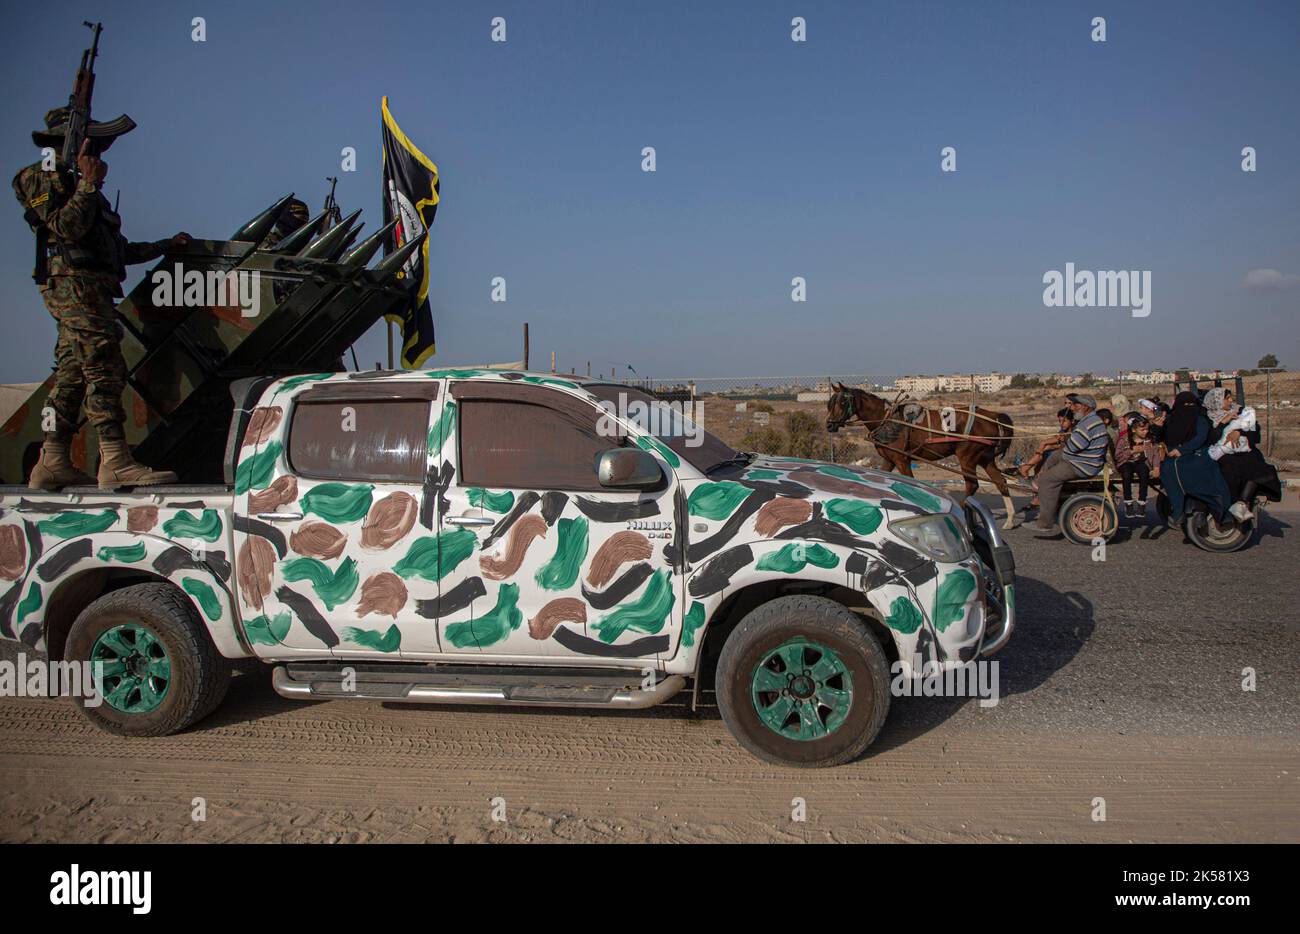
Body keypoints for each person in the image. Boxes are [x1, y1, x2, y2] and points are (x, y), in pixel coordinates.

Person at [13, 108, 189, 489]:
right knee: (104, 368)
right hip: (73, 287)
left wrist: (166, 246)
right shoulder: (41, 175)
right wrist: (88, 185)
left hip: (91, 288)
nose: (101, 154)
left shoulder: (80, 186)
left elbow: (118, 251)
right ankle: (115, 460)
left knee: (73, 376)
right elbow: (64, 227)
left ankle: (52, 460)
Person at [1030, 393, 1110, 535]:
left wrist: (1066, 441)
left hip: (1083, 465)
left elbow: (1074, 447)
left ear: (1085, 407)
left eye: (1075, 405)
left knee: (1047, 480)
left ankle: (1045, 523)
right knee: (1055, 455)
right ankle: (1039, 482)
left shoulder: (1087, 424)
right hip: (1083, 459)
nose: (1072, 408)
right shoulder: (1090, 420)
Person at [1203, 387, 1281, 521]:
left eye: (1230, 397)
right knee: (1230, 469)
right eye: (1227, 398)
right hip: (1224, 455)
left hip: (1246, 452)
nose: (1230, 401)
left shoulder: (1239, 411)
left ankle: (1242, 502)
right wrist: (1223, 422)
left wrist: (1240, 432)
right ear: (1216, 401)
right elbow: (1211, 439)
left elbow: (1255, 432)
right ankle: (1230, 502)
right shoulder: (1208, 417)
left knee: (1257, 466)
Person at [1158, 390, 1232, 524]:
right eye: (1184, 404)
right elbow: (1162, 438)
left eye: (1190, 404)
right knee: (1168, 470)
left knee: (1199, 475)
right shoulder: (1170, 419)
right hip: (1172, 455)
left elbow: (1201, 437)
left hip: (1197, 453)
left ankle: (1212, 510)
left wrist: (1183, 449)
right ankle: (1178, 510)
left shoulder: (1200, 419)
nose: (1187, 407)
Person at [1113, 415, 1161, 517]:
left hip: (1142, 463)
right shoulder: (1124, 439)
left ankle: (1142, 502)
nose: (1146, 432)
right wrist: (1131, 451)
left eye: (1147, 429)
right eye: (1142, 430)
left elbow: (1156, 454)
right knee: (1126, 474)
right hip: (1126, 462)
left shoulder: (1150, 441)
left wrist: (1156, 467)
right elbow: (1118, 456)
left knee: (1144, 473)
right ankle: (1128, 502)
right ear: (1134, 430)